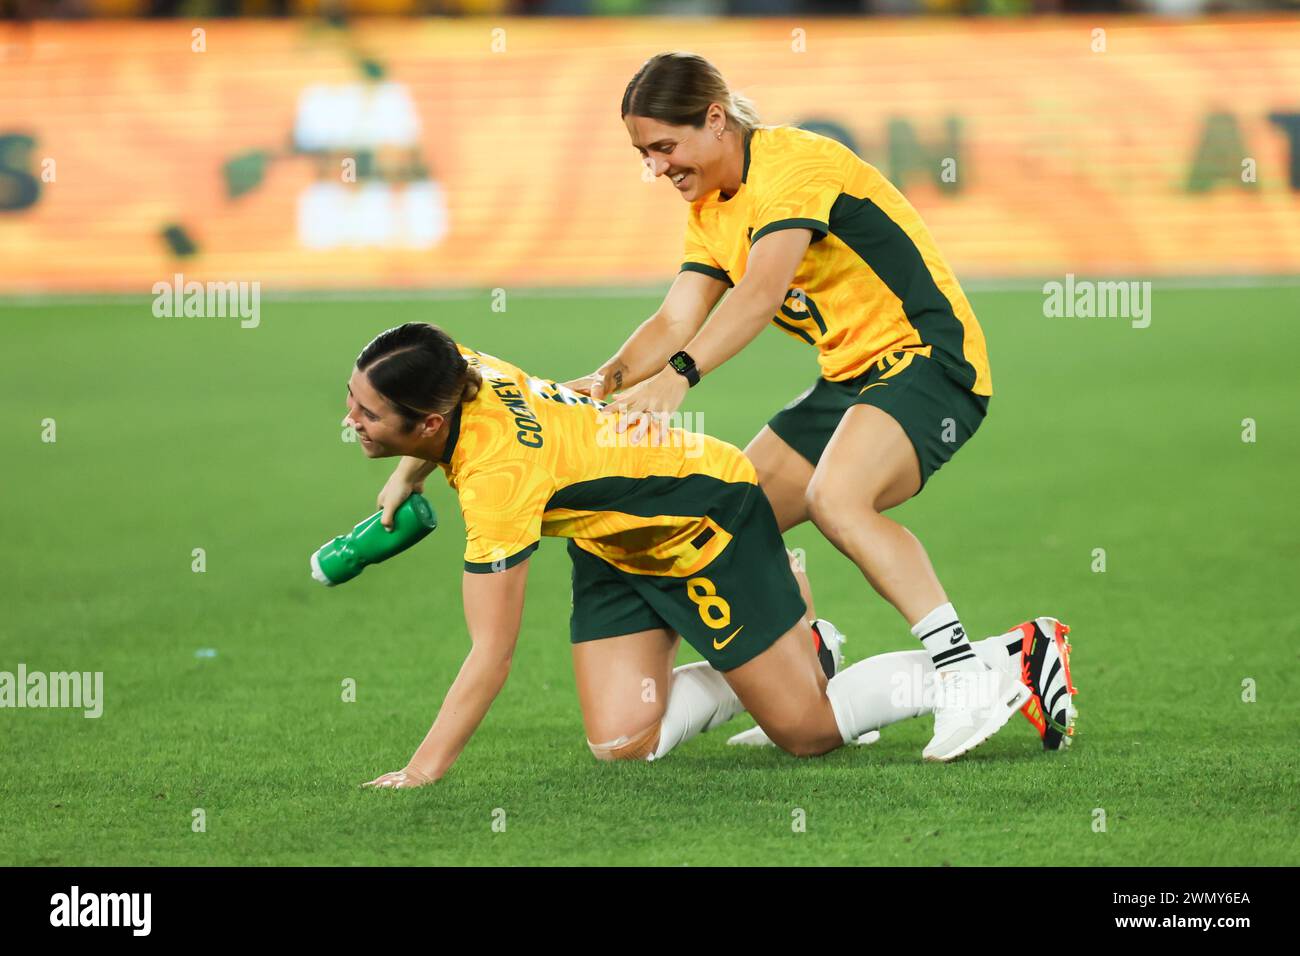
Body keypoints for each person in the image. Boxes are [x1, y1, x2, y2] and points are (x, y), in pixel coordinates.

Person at [563, 51, 1063, 761]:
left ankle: (965, 677)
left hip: (929, 359)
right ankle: (814, 656)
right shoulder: (710, 210)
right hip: (853, 379)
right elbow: (676, 320)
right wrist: (606, 380)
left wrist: (679, 377)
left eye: (665, 147)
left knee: (838, 499)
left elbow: (760, 292)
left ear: (713, 120)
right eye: (644, 155)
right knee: (736, 511)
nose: (657, 168)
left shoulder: (794, 164)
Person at [344, 324, 1062, 789]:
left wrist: (420, 772)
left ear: (433, 419)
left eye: (368, 415)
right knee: (624, 742)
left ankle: (1007, 662)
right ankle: (805, 652)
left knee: (805, 733)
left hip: (704, 519)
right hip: (613, 539)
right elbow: (450, 402)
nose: (352, 422)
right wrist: (410, 466)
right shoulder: (456, 365)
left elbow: (491, 656)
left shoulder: (500, 481)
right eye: (355, 402)